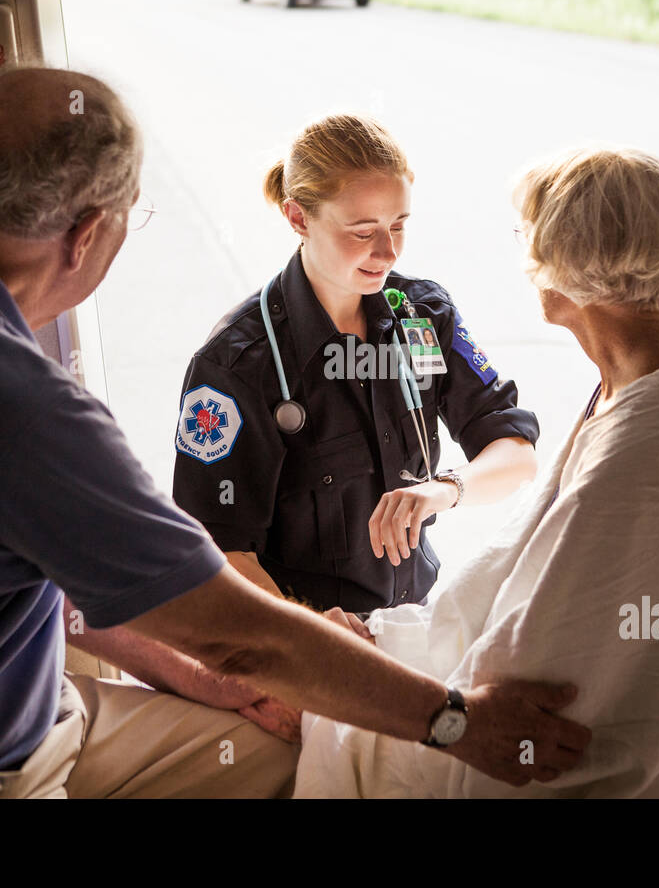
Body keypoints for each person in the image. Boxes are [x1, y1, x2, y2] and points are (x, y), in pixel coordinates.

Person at [0, 66, 591, 798]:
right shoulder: (28, 404)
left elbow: (70, 593)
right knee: (339, 765)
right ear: (90, 233)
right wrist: (457, 719)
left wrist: (215, 678)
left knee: (289, 744)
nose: (385, 250)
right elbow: (236, 626)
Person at [294, 147, 659, 798]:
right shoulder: (656, 369)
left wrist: (379, 681)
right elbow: (521, 577)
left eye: (530, 239)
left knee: (332, 720)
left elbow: (536, 666)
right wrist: (387, 641)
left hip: (608, 751)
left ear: (565, 267)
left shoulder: (652, 439)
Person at [172, 114, 540, 613]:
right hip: (305, 642)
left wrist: (444, 489)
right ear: (298, 217)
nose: (386, 251)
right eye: (363, 231)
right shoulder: (237, 365)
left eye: (398, 226)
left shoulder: (422, 317)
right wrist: (318, 638)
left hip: (412, 622)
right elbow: (216, 551)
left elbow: (516, 453)